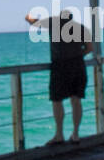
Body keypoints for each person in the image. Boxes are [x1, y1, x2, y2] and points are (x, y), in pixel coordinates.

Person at [25, 8, 92, 145]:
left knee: (57, 100)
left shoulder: (53, 23)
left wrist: (28, 16)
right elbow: (90, 48)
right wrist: (78, 56)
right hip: (78, 65)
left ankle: (59, 134)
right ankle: (75, 134)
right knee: (76, 100)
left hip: (60, 66)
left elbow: (33, 23)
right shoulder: (81, 28)